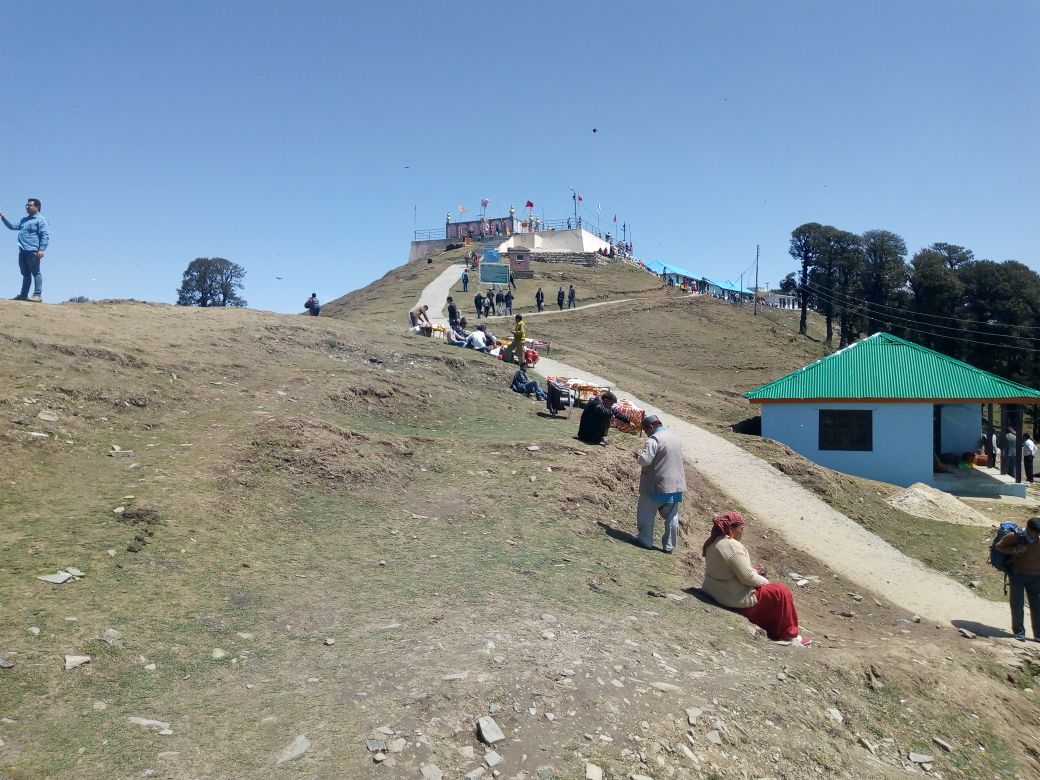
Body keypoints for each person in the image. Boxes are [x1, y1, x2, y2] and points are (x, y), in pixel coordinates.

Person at [701, 511, 810, 646]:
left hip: (715, 590)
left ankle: (777, 628)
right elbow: (748, 578)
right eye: (741, 529)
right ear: (731, 529)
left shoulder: (714, 541)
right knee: (781, 591)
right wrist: (765, 582)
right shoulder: (732, 546)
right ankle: (790, 635)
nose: (743, 532)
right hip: (731, 597)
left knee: (764, 580)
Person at [634, 415, 686, 554]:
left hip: (656, 485)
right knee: (671, 517)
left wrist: (638, 457)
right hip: (676, 486)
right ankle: (669, 546)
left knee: (646, 514)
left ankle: (645, 540)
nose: (646, 433)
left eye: (646, 430)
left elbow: (645, 460)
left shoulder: (654, 439)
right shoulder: (675, 438)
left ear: (650, 427)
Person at [994, 517, 1040, 640]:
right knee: (1017, 603)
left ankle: (1038, 634)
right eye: (1035, 533)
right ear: (1029, 529)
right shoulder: (1015, 536)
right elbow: (999, 546)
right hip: (1018, 574)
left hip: (1036, 576)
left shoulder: (1038, 537)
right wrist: (1015, 550)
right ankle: (1019, 632)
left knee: (1037, 605)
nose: (1036, 537)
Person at [2, 198, 49, 303]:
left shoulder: (41, 220)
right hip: (22, 251)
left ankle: (37, 295)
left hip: (33, 250)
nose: (27, 207)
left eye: (30, 205)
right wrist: (3, 218)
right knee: (25, 274)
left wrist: (42, 249)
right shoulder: (24, 220)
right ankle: (23, 295)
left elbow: (45, 235)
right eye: (26, 205)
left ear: (37, 207)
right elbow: (13, 226)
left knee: (36, 272)